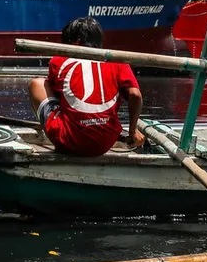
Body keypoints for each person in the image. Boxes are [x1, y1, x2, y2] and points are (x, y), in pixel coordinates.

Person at [28, 16, 143, 157]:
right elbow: (135, 95)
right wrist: (133, 130)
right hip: (104, 143)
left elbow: (59, 97)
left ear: (74, 42)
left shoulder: (59, 61)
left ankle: (54, 129)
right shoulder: (118, 62)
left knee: (37, 84)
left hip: (69, 141)